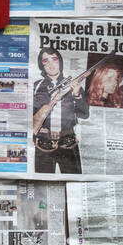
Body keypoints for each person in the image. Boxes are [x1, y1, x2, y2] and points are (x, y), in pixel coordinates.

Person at [32, 47, 89, 175]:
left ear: (60, 61)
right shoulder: (36, 87)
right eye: (46, 61)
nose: (51, 64)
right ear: (42, 65)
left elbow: (85, 114)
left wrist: (77, 95)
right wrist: (50, 101)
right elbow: (29, 118)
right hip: (43, 146)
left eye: (54, 59)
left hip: (68, 145)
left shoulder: (73, 85)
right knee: (42, 186)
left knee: (75, 186)